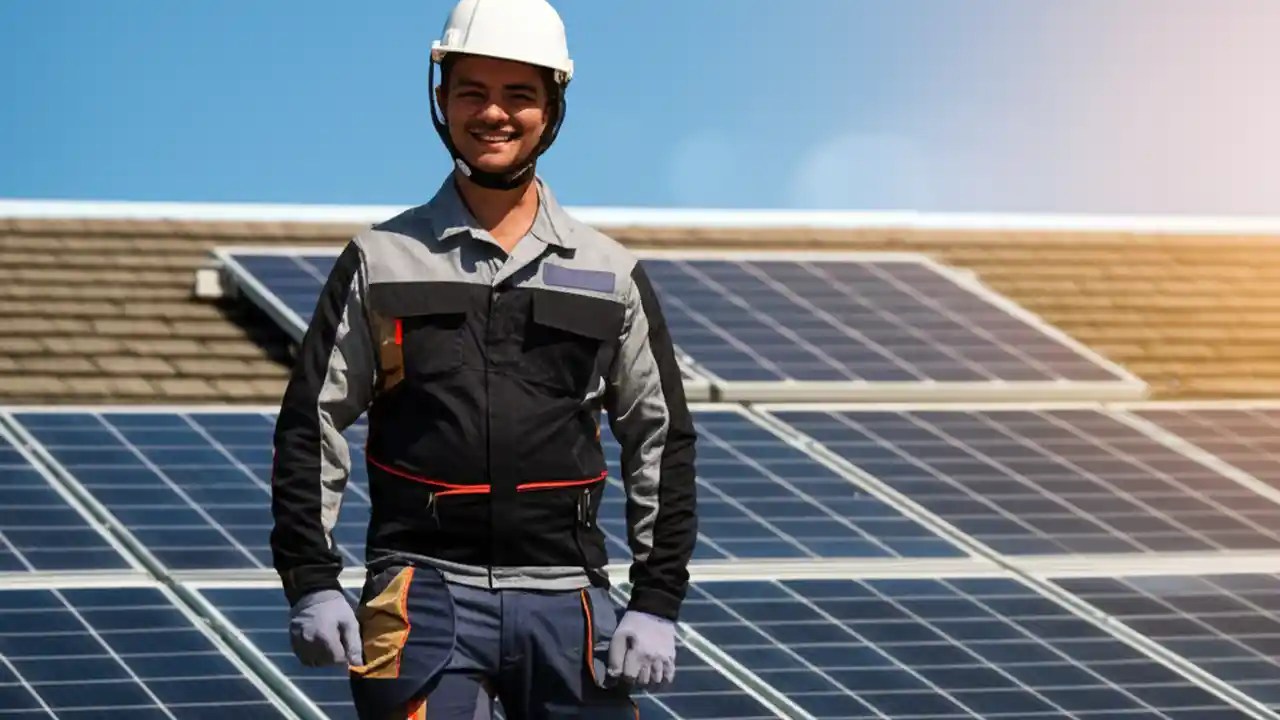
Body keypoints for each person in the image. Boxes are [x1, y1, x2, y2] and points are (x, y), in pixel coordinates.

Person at [268, 0, 699, 717]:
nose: (493, 113)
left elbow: (660, 438)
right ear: (440, 100)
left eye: (518, 94)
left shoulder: (609, 272)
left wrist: (657, 599)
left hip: (571, 603)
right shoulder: (379, 261)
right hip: (419, 596)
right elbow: (310, 423)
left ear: (553, 107)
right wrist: (312, 578)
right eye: (472, 91)